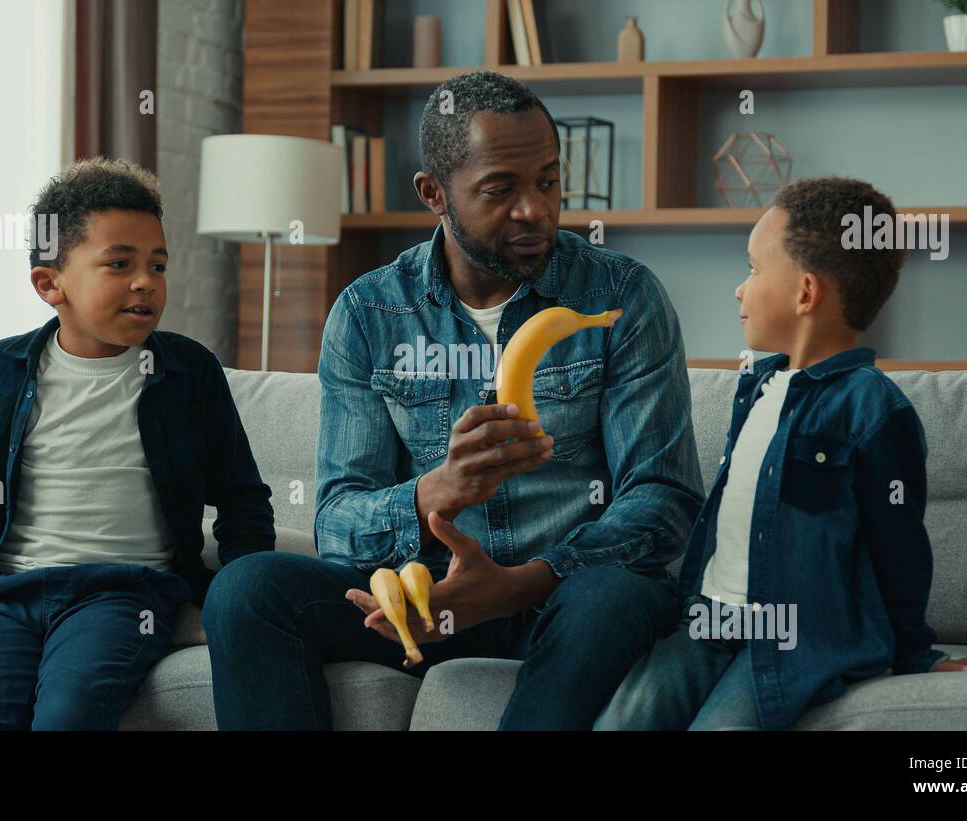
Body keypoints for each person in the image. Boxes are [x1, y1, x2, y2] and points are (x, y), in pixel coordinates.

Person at [201, 70, 706, 730]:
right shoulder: (368, 313)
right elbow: (338, 521)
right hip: (430, 602)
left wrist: (525, 581)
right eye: (502, 189)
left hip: (567, 594)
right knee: (246, 590)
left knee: (613, 596)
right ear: (434, 192)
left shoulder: (621, 298)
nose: (535, 209)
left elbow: (664, 499)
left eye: (548, 181)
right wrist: (433, 491)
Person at [594, 176, 967, 731]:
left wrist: (917, 654)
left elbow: (900, 545)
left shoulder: (873, 409)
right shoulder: (755, 389)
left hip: (797, 637)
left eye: (753, 269)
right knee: (622, 723)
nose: (739, 289)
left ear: (806, 293)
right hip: (708, 622)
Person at [0, 157, 275, 729]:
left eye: (158, 265)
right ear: (50, 284)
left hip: (121, 594)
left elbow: (242, 499)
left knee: (68, 715)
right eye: (119, 264)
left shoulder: (189, 372)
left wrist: (241, 602)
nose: (146, 282)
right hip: (3, 595)